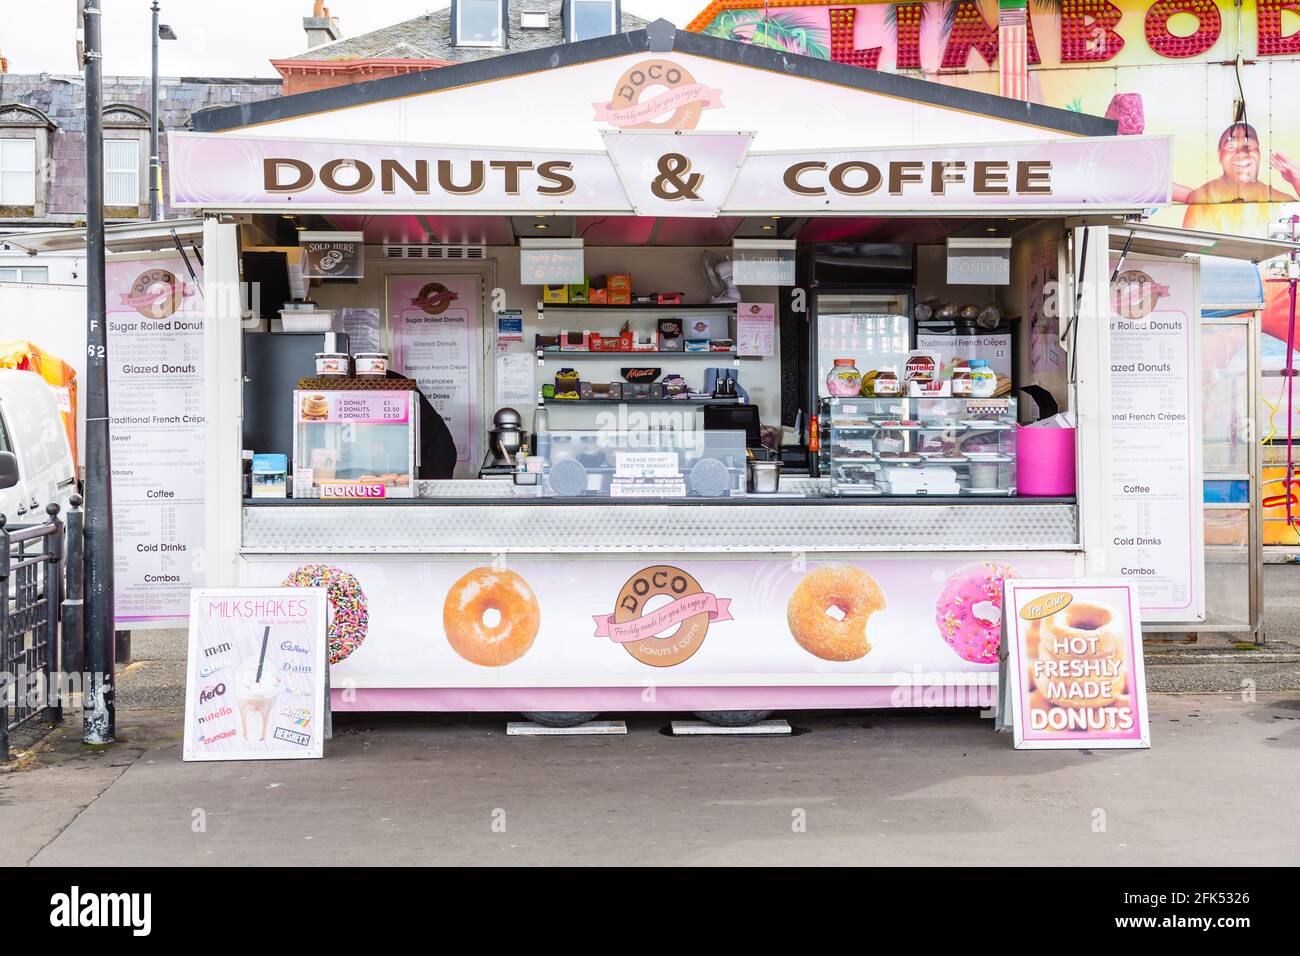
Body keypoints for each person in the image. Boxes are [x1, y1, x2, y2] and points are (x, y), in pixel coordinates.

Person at [1182, 123, 1300, 233]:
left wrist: (1297, 181)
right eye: (1231, 147)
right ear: (1220, 155)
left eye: (1249, 146)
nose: (1242, 153)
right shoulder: (1202, 199)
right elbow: (1194, 249)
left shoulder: (1281, 201)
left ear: (1259, 154)